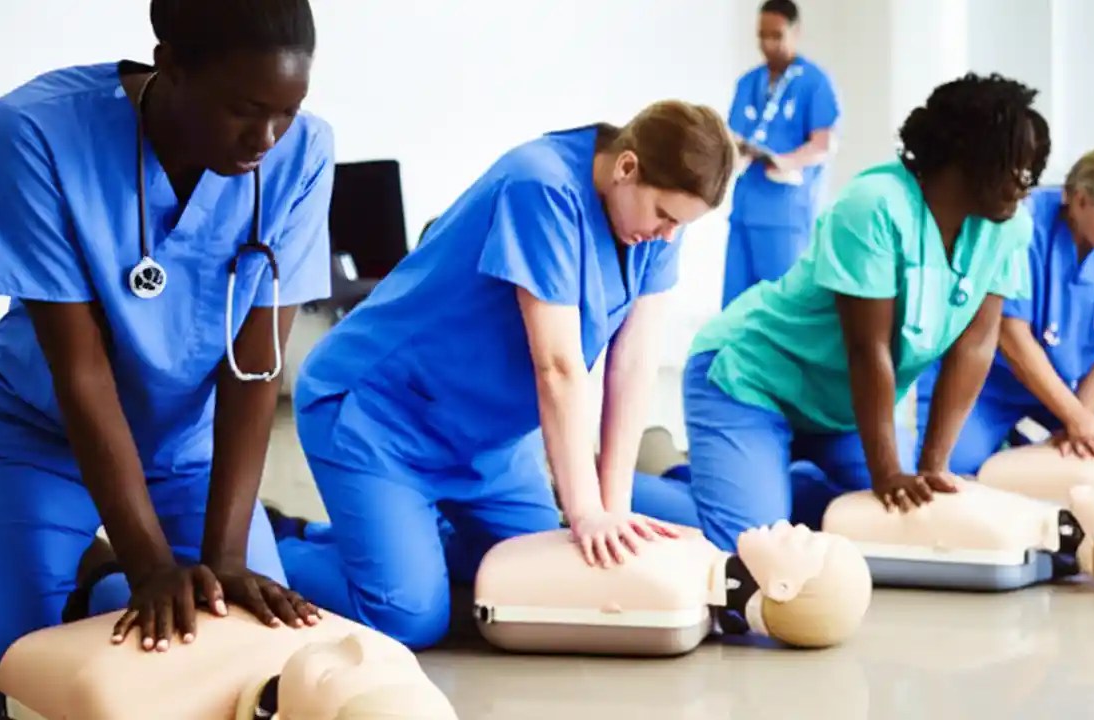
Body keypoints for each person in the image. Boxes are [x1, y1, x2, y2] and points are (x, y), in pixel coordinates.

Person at [0, 1, 330, 714]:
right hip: (35, 433)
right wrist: (153, 564)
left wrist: (224, 557)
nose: (267, 138)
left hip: (185, 444)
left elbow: (254, 372)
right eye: (246, 109)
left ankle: (100, 576)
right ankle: (113, 561)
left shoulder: (303, 153)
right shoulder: (33, 133)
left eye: (287, 110)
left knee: (249, 661)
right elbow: (81, 372)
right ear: (170, 65)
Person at [270, 102, 736, 650]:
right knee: (408, 618)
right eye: (664, 215)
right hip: (380, 416)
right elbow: (557, 366)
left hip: (486, 444)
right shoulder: (540, 186)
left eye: (682, 225)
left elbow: (632, 366)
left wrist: (613, 512)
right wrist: (582, 510)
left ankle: (381, 542)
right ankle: (276, 545)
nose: (668, 236)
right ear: (627, 168)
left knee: (537, 585)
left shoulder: (652, 235)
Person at [630, 73, 1051, 550]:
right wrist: (889, 470)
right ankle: (605, 485)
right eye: (1014, 164)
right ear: (969, 155)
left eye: (1030, 168)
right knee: (753, 544)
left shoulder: (1008, 226)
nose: (1025, 182)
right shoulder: (874, 206)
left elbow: (975, 345)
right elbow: (866, 348)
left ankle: (735, 479)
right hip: (751, 381)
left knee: (902, 522)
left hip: (842, 412)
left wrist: (932, 465)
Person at [915, 147, 1094, 474]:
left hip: (1069, 385)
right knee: (950, 468)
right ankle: (1012, 441)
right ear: (1079, 200)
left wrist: (1081, 419)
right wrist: (1077, 419)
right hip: (988, 384)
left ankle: (1032, 442)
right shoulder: (1022, 224)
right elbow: (1011, 336)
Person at [722, 0, 840, 308]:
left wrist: (784, 161)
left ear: (796, 32)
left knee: (783, 306)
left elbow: (823, 144)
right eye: (762, 35)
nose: (767, 44)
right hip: (745, 208)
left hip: (785, 213)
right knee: (737, 307)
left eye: (776, 35)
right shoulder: (748, 82)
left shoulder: (814, 83)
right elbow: (733, 138)